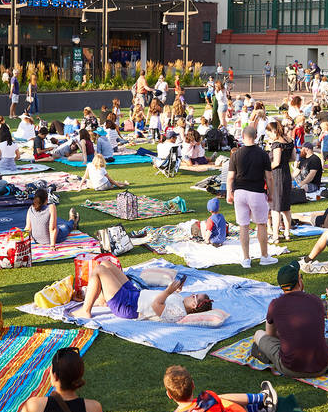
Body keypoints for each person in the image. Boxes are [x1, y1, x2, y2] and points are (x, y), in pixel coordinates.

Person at [249, 261, 328, 377]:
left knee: (259, 334)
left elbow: (270, 335)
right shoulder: (315, 300)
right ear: (299, 280)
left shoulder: (275, 305)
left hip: (292, 368)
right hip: (322, 366)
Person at [71, 259, 212, 321]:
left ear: (194, 305)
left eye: (194, 296)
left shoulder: (179, 313)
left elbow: (156, 306)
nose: (192, 294)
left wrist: (168, 291)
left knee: (99, 270)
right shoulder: (180, 303)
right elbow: (165, 299)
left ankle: (86, 311)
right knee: (106, 264)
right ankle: (101, 300)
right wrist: (174, 291)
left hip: (129, 306)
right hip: (135, 294)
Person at [227, 125, 278, 269]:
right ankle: (264, 256)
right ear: (255, 136)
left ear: (243, 136)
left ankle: (246, 259)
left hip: (240, 193)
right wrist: (271, 194)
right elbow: (269, 177)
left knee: (243, 226)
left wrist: (228, 193)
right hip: (256, 192)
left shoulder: (236, 154)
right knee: (261, 224)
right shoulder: (262, 154)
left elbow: (230, 177)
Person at [266, 121, 295, 243]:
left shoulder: (277, 144)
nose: (268, 137)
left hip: (277, 176)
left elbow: (276, 162)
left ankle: (276, 235)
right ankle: (287, 233)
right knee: (286, 207)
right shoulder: (289, 140)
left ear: (273, 131)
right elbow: (293, 158)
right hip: (287, 174)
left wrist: (266, 167)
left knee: (276, 208)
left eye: (269, 134)